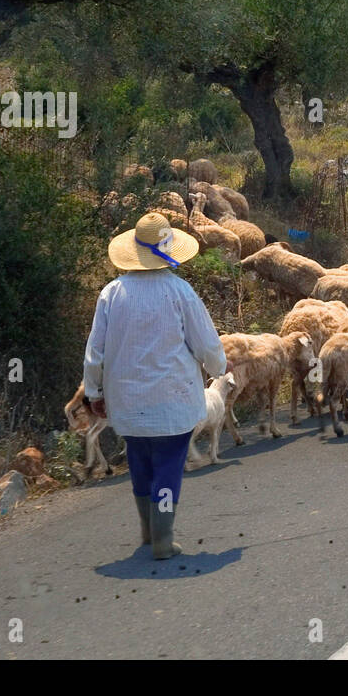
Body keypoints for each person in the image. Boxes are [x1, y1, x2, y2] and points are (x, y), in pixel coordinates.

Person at [82, 212, 227, 560]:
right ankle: (163, 537)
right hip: (171, 401)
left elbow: (95, 351)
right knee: (167, 464)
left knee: (140, 460)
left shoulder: (111, 294)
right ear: (168, 250)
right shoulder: (180, 291)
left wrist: (94, 393)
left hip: (128, 402)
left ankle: (148, 531)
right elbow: (206, 344)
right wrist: (219, 367)